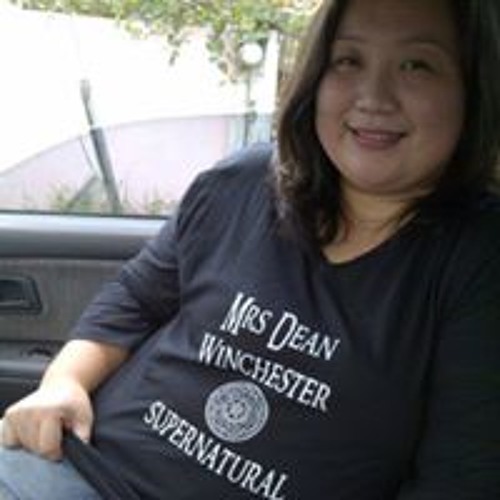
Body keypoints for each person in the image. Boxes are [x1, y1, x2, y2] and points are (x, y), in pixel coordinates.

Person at [1, 0, 500, 498]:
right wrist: (63, 382)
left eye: (416, 65)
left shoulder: (477, 261)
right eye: (347, 60)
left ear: (473, 89)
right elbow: (135, 300)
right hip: (75, 468)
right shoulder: (243, 182)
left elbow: (459, 477)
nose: (373, 97)